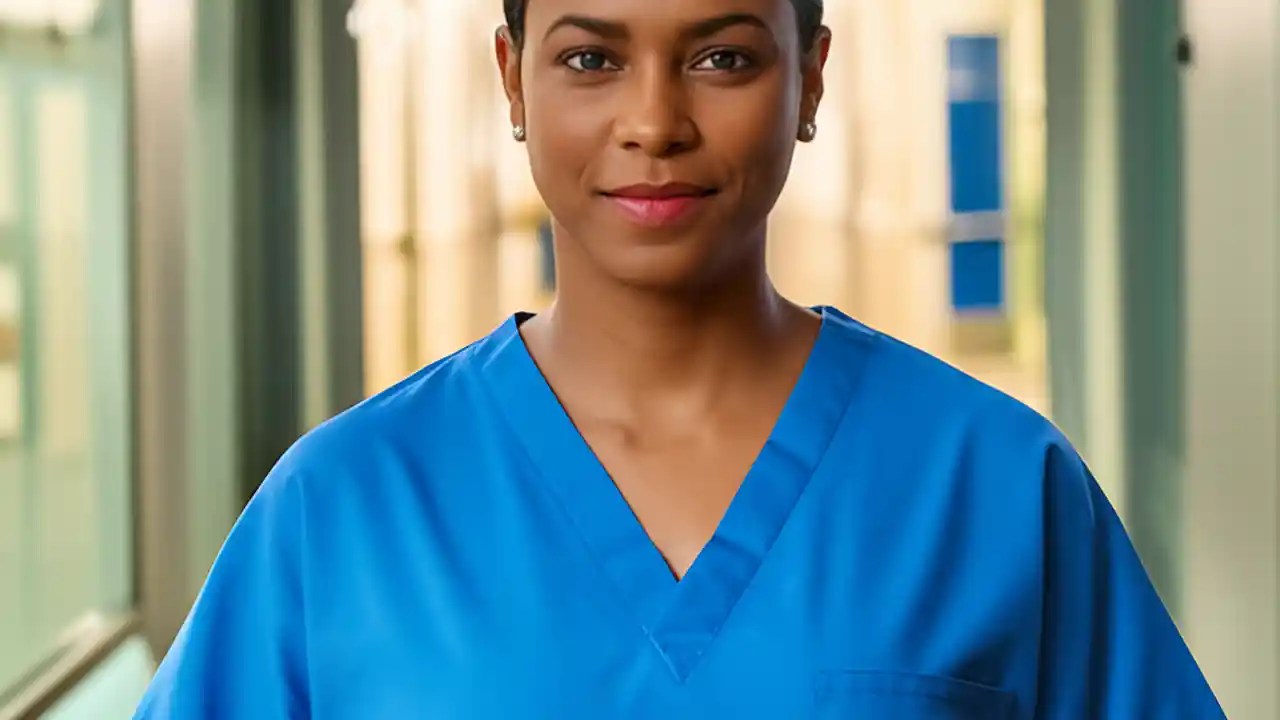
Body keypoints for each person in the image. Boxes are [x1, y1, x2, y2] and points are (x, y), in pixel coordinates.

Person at [136, 0, 1226, 717]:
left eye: (721, 57)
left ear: (808, 79)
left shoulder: (988, 482)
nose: (652, 120)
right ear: (513, 81)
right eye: (589, 58)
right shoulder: (347, 506)